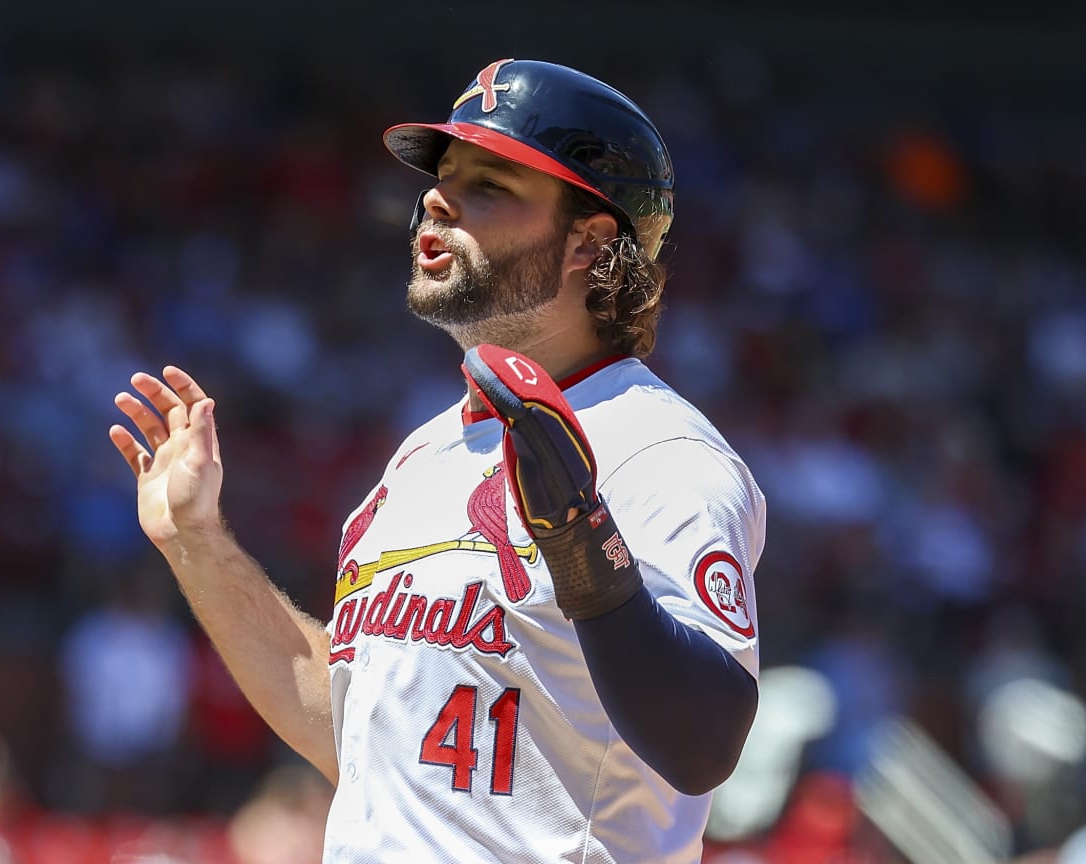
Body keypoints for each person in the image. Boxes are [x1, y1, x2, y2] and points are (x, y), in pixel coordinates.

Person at [109, 58, 765, 863]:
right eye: (443, 176)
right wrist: (197, 543)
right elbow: (354, 736)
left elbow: (703, 746)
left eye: (490, 185)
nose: (435, 198)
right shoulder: (422, 455)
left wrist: (582, 546)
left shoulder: (658, 451)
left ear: (589, 245)